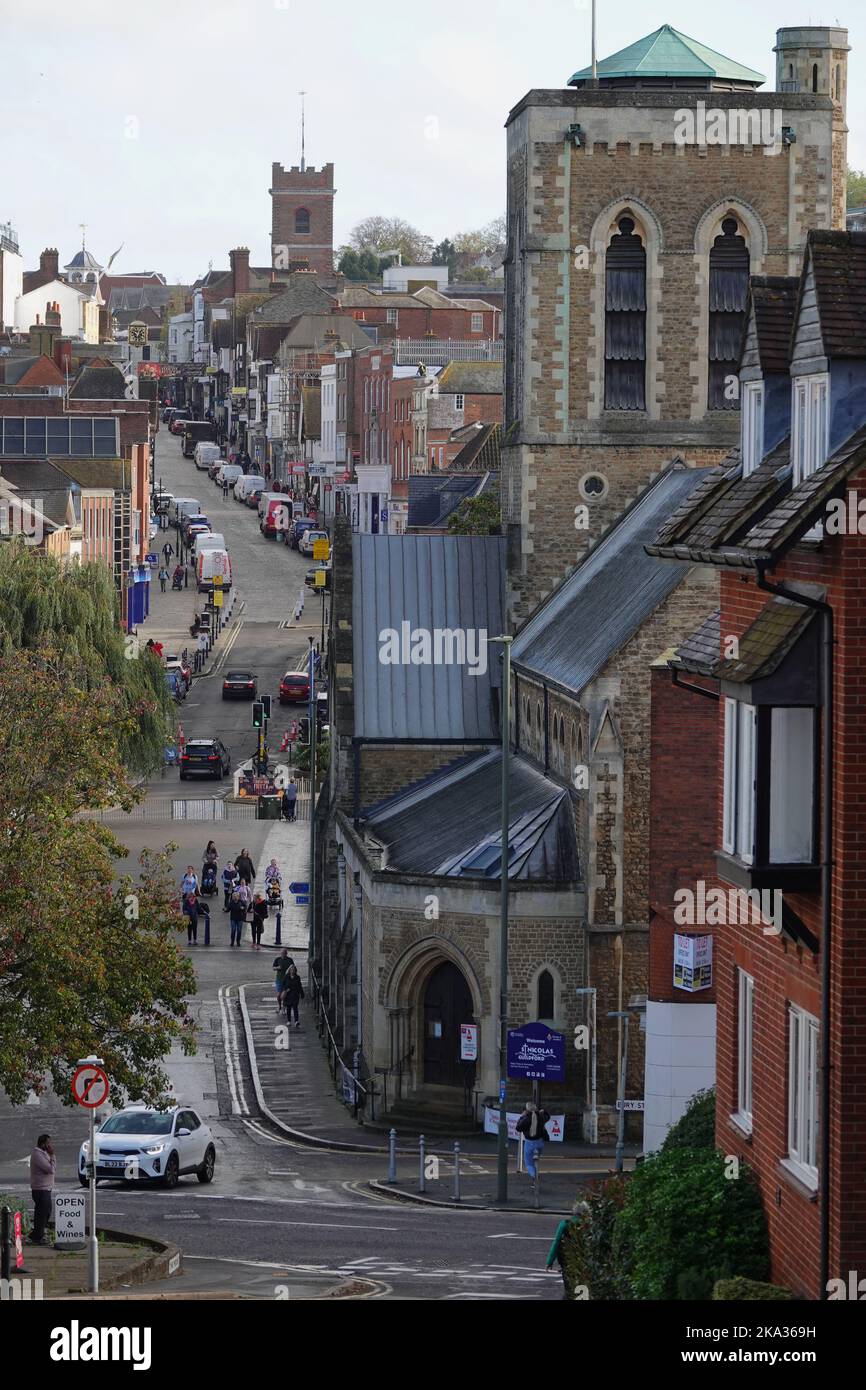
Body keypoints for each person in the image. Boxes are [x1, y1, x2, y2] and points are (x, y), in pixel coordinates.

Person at [546, 1201, 585, 1299]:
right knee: (582, 1286)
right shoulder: (586, 1224)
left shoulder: (564, 1224)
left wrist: (549, 1261)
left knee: (568, 1287)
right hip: (583, 1259)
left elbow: (557, 1242)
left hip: (567, 1260)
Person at [515, 1100, 551, 1186]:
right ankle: (535, 1176)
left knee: (528, 1163)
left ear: (527, 1110)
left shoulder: (526, 1119)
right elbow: (548, 1117)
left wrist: (521, 1117)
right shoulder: (541, 1117)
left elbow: (518, 1128)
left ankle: (535, 1177)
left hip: (529, 1143)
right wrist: (544, 1111)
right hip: (539, 1143)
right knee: (536, 1161)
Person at [29, 1133, 55, 1245]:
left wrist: (51, 1156)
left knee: (47, 1211)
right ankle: (37, 1237)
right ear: (42, 1143)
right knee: (42, 1213)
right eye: (48, 1143)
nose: (50, 1145)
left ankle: (37, 1233)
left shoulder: (44, 1153)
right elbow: (50, 1169)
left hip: (46, 1188)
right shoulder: (37, 1154)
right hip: (40, 1189)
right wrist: (53, 1156)